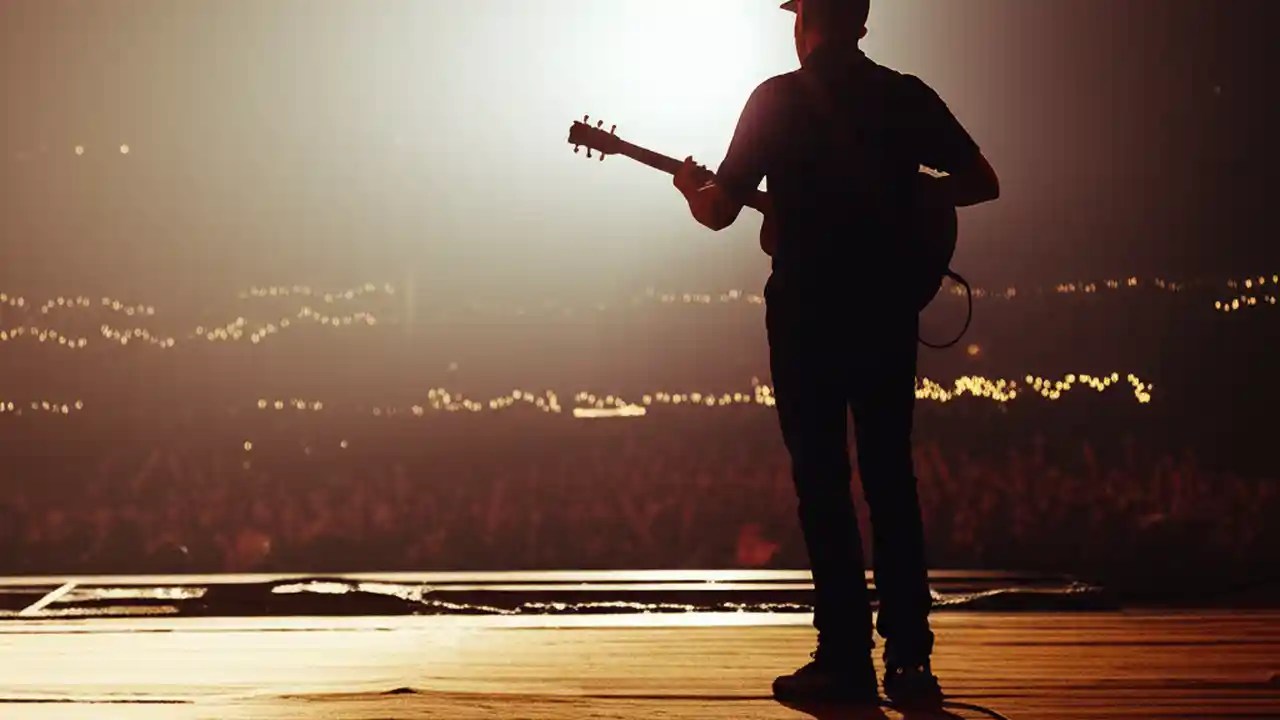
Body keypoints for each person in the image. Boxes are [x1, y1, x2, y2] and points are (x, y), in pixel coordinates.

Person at [672, 0, 1000, 706]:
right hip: (883, 311)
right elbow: (982, 183)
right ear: (861, 22)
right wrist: (917, 196)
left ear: (805, 23)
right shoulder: (905, 96)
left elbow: (720, 209)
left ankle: (844, 658)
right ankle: (911, 661)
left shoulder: (774, 101)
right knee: (891, 481)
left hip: (806, 316)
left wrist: (688, 190)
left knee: (823, 485)